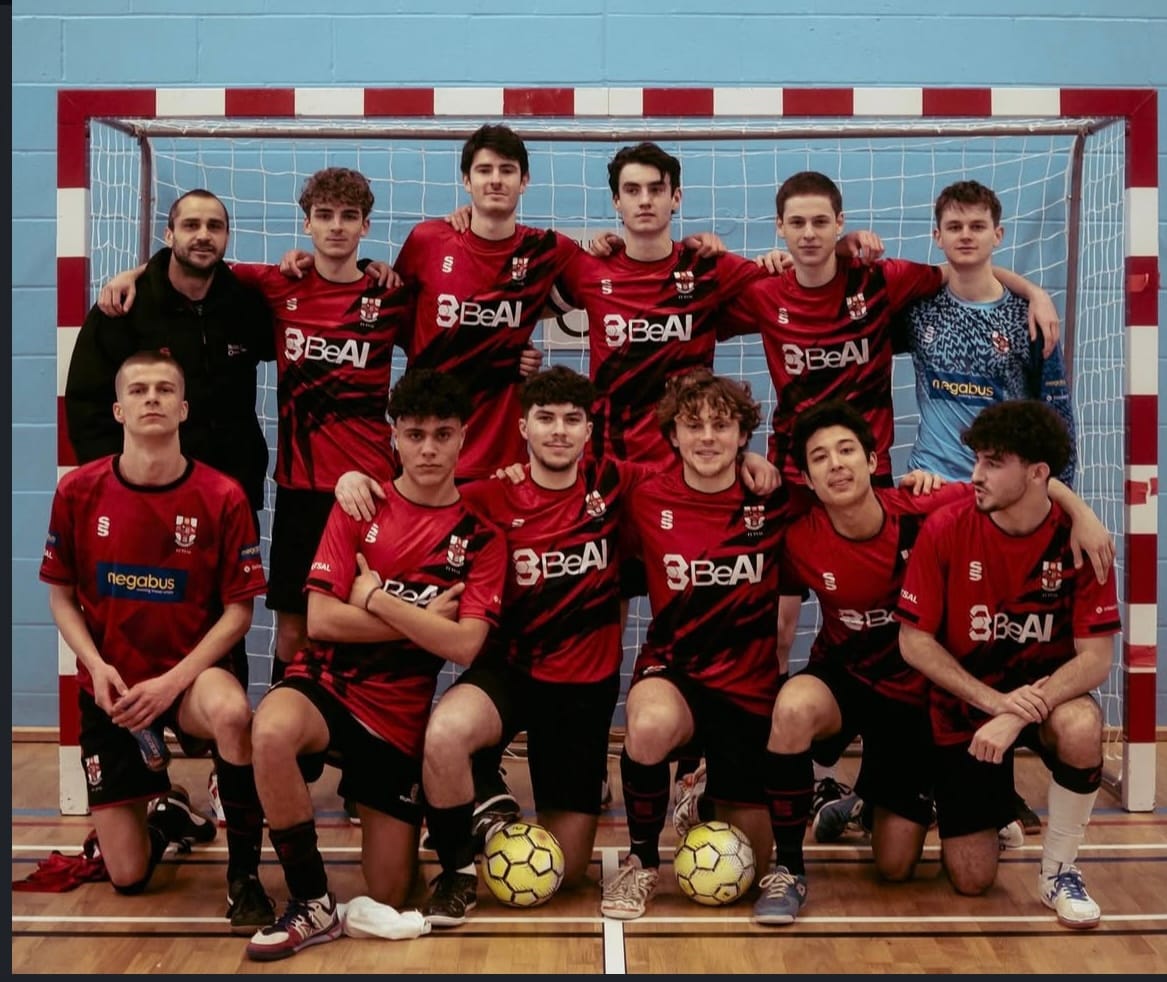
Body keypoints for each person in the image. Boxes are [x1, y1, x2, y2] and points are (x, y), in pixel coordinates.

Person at [719, 170, 1061, 815]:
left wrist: (1035, 291)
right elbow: (692, 309)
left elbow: (962, 269)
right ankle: (769, 772)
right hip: (795, 483)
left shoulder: (883, 279)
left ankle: (918, 776)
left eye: (823, 222)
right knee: (781, 624)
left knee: (915, 626)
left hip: (867, 486)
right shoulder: (764, 291)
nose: (811, 233)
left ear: (841, 224)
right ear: (780, 229)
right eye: (798, 223)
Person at [752, 399, 1111, 926]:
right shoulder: (799, 536)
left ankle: (1033, 855)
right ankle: (791, 867)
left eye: (846, 450)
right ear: (805, 478)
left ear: (873, 460)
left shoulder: (929, 509)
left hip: (919, 696)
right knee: (794, 710)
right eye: (820, 457)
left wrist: (1084, 513)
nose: (836, 465)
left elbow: (1030, 482)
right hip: (858, 677)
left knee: (940, 872)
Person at [821, 179, 1078, 843]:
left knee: (994, 639)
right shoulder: (918, 310)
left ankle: (992, 789)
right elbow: (842, 294)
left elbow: (1054, 422)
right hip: (930, 494)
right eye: (954, 227)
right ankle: (884, 786)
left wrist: (1065, 503)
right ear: (937, 237)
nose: (965, 236)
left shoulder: (1028, 321)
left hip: (1003, 505)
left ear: (997, 234)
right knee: (911, 644)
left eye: (977, 226)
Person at [97, 168, 412, 683]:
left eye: (348, 216)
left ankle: (364, 722)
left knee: (371, 615)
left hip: (372, 486)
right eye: (324, 216)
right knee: (292, 628)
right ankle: (290, 724)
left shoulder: (391, 296)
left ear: (366, 226)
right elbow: (193, 265)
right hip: (300, 487)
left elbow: (447, 341)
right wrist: (131, 275)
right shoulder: (276, 283)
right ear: (307, 225)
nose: (336, 227)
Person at [244, 369, 506, 961]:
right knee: (271, 729)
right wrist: (423, 620)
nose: (429, 449)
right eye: (415, 435)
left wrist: (375, 598)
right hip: (326, 685)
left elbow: (465, 646)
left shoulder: (481, 536)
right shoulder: (361, 506)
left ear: (464, 438)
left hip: (397, 717)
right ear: (395, 438)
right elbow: (321, 621)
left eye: (443, 434)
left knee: (389, 894)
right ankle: (311, 899)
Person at [41, 351, 273, 931]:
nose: (152, 398)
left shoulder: (222, 495)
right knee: (127, 877)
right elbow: (61, 595)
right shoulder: (78, 492)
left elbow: (239, 613)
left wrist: (172, 683)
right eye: (139, 390)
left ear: (183, 408)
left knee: (232, 712)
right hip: (114, 689)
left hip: (188, 679)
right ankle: (167, 818)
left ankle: (244, 878)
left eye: (165, 389)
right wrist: (95, 666)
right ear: (118, 409)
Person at [897, 399, 1119, 929]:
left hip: (1043, 700)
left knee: (1082, 725)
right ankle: (988, 808)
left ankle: (1059, 871)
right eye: (977, 459)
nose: (976, 474)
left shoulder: (1083, 542)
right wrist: (996, 704)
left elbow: (1096, 661)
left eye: (993, 463)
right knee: (972, 879)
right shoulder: (947, 526)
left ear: (1039, 473)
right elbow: (914, 643)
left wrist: (1017, 713)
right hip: (968, 705)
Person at [601, 368, 788, 920]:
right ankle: (641, 862)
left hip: (748, 687)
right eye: (694, 425)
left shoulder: (774, 499)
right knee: (648, 726)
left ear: (742, 435)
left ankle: (703, 794)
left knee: (750, 867)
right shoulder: (644, 494)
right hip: (675, 671)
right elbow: (565, 473)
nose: (707, 437)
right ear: (673, 435)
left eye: (721, 425)